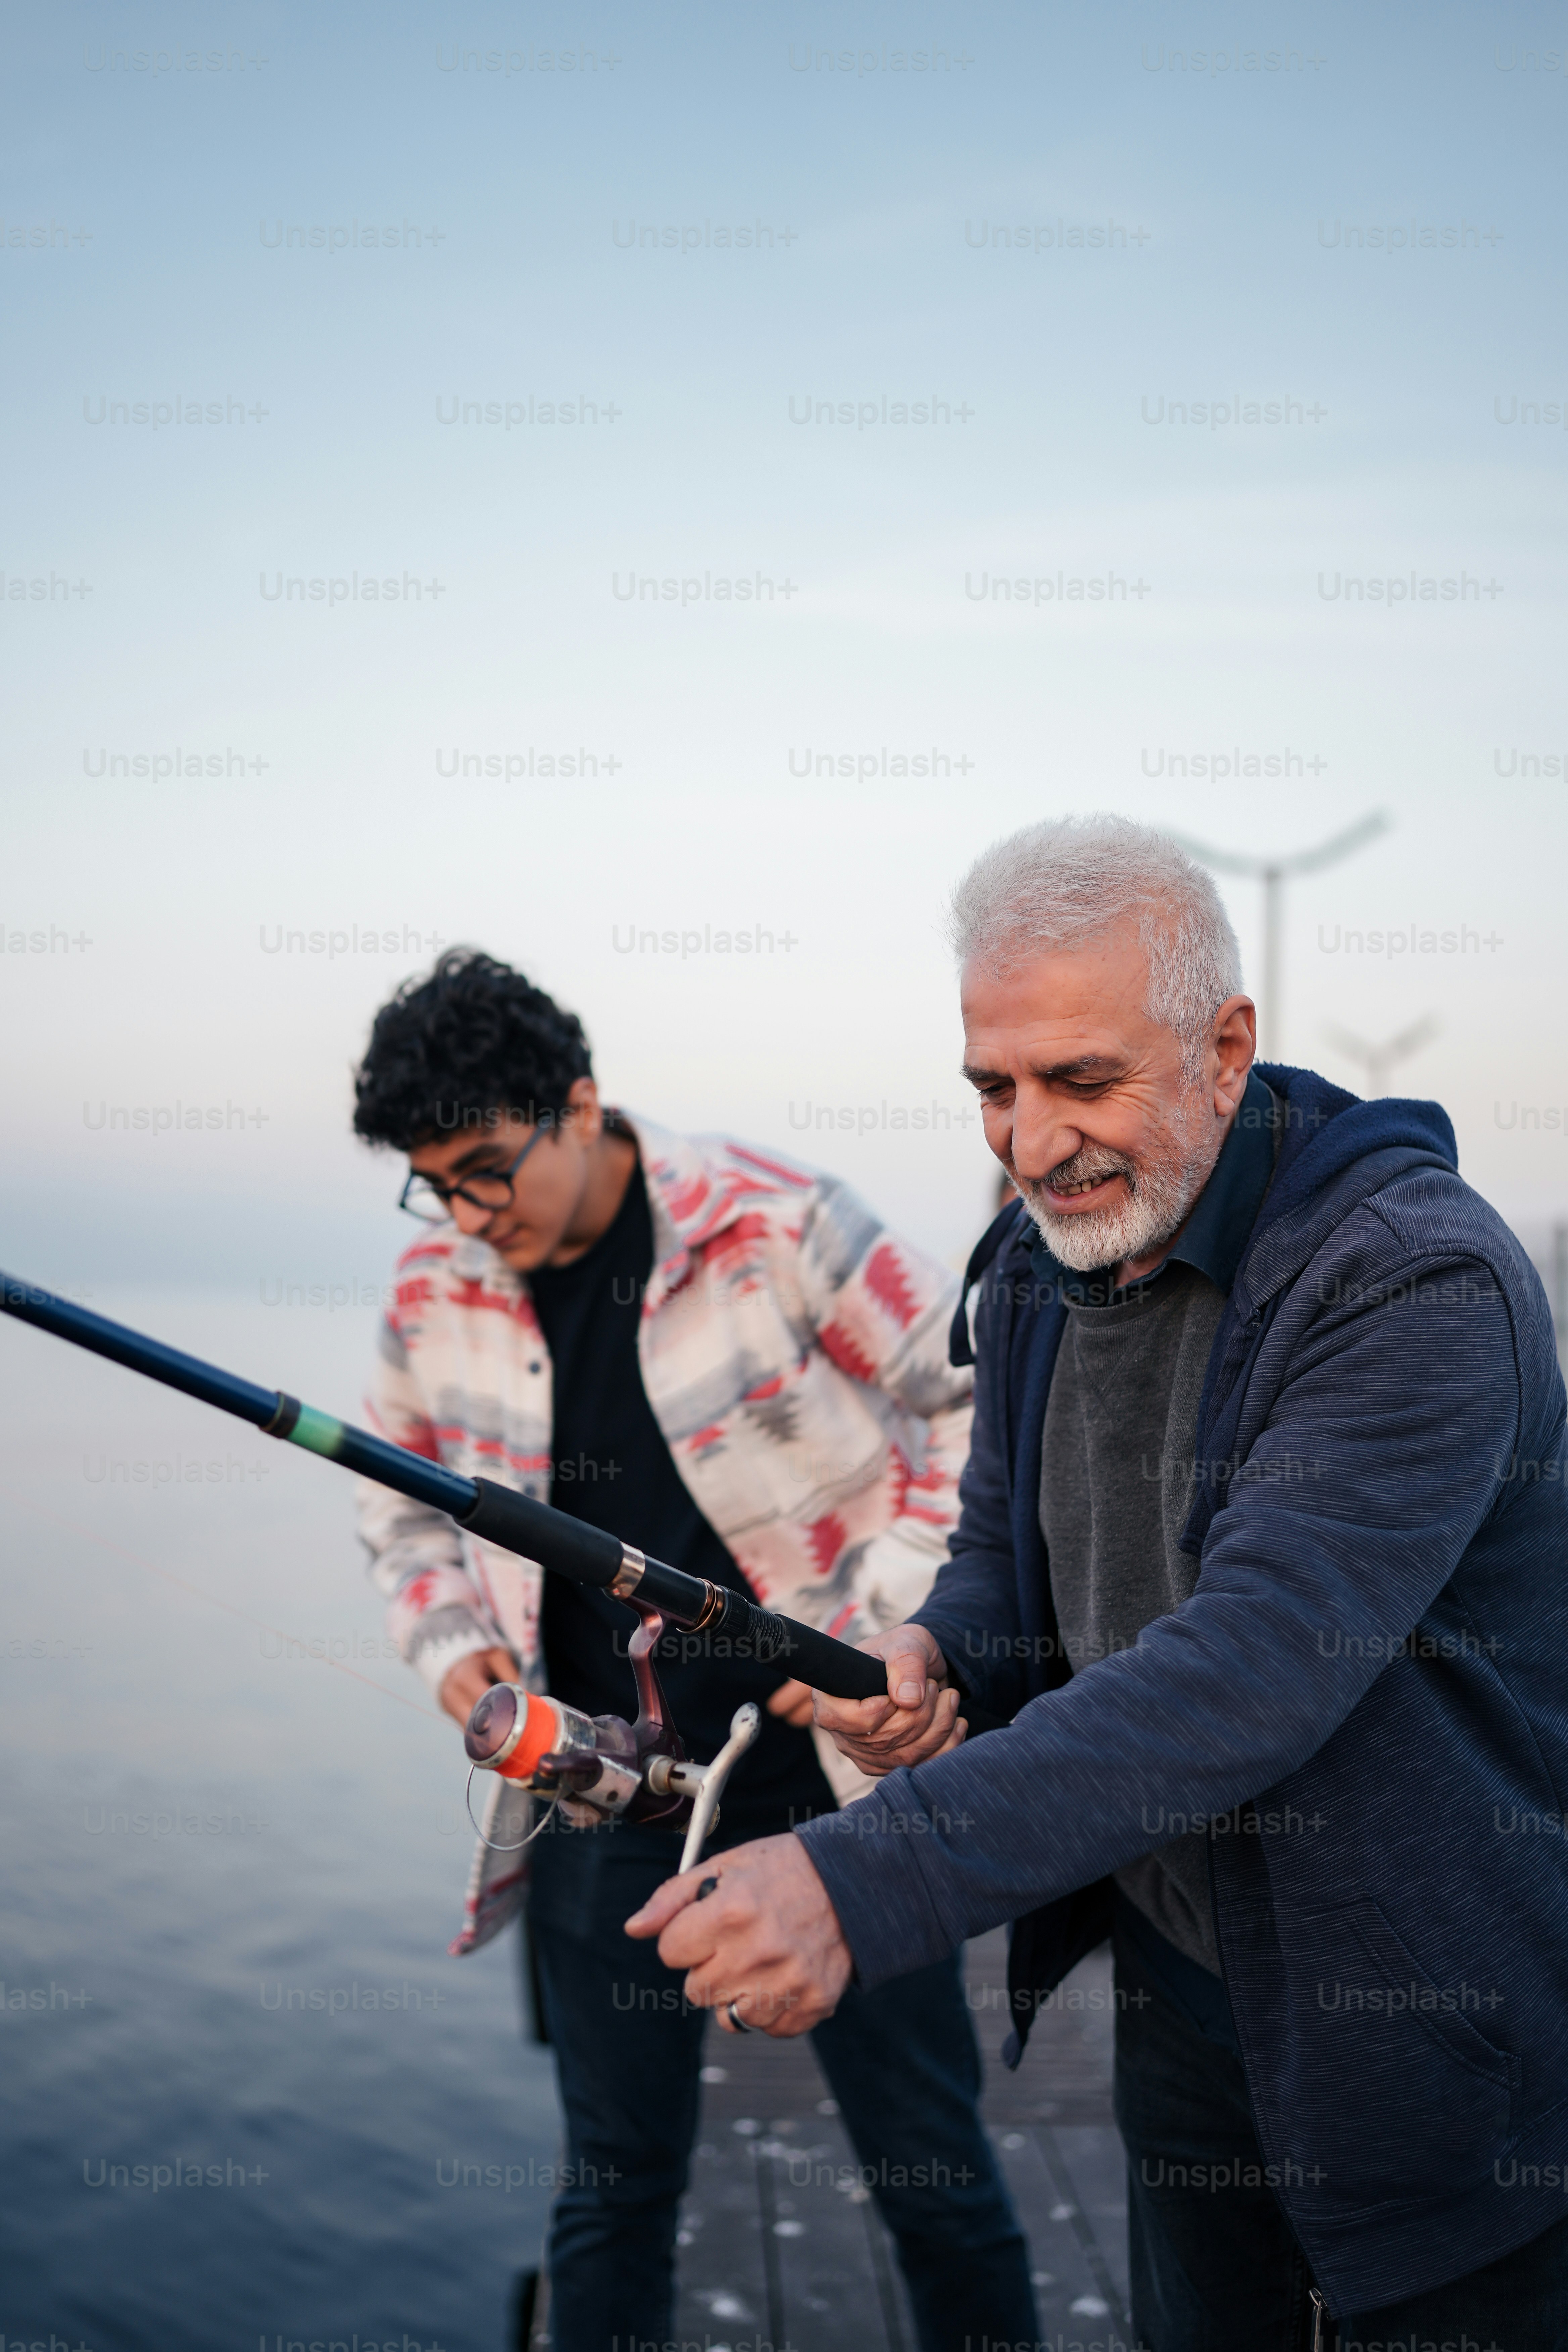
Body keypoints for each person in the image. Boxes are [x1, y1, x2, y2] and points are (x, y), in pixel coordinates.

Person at [631, 816, 1568, 2350]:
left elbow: (1254, 1663)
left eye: (1081, 1081)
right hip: (1182, 1999)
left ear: (1224, 1045)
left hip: (1432, 2040)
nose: (1028, 1141)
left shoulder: (1412, 1278)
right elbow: (1008, 1549)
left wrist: (861, 1879)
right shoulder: (1035, 1262)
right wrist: (941, 1661)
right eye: (992, 1089)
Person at [348, 948, 1037, 2352]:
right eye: (439, 1184)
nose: (471, 1215)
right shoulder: (433, 1291)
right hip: (605, 1791)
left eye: (488, 1168)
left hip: (848, 1784)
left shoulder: (775, 1216)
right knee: (612, 2183)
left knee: (934, 2170)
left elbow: (978, 1414)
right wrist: (459, 1660)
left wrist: (876, 1621)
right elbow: (399, 1517)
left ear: (581, 1102)